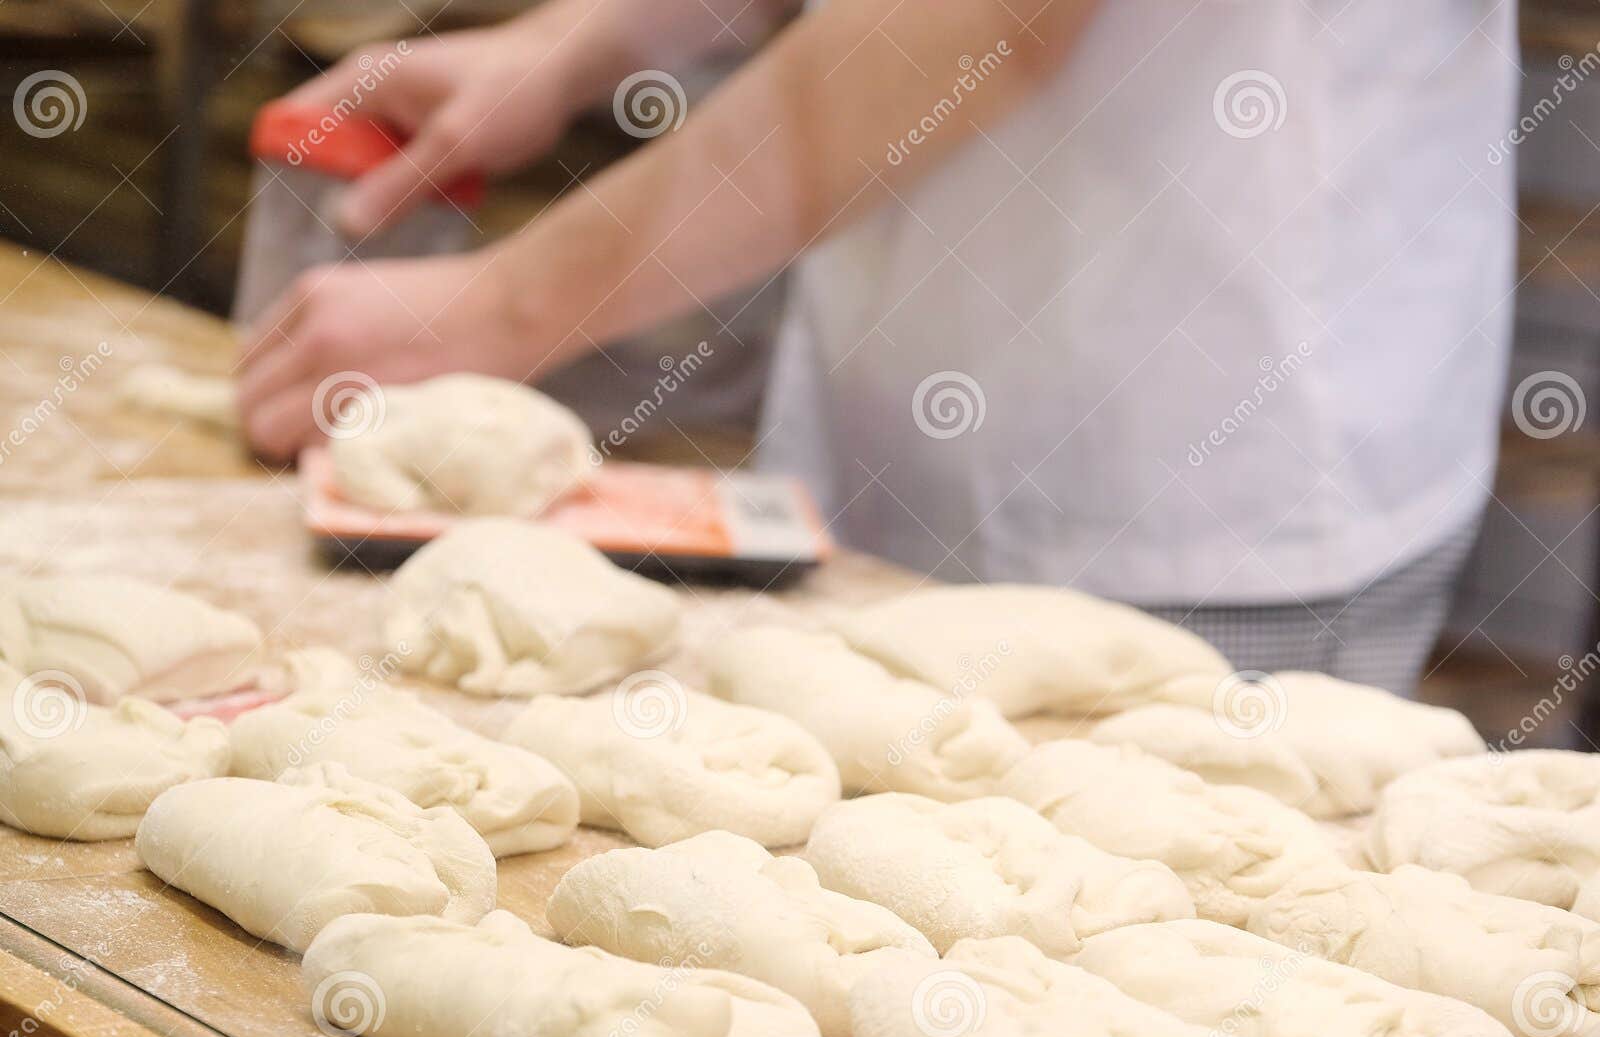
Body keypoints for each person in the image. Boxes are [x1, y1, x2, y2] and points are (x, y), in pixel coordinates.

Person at [237, 0, 1518, 696]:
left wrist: (502, 307)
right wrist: (577, 43)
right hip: (901, 427)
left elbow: (986, 19)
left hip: (1194, 484)